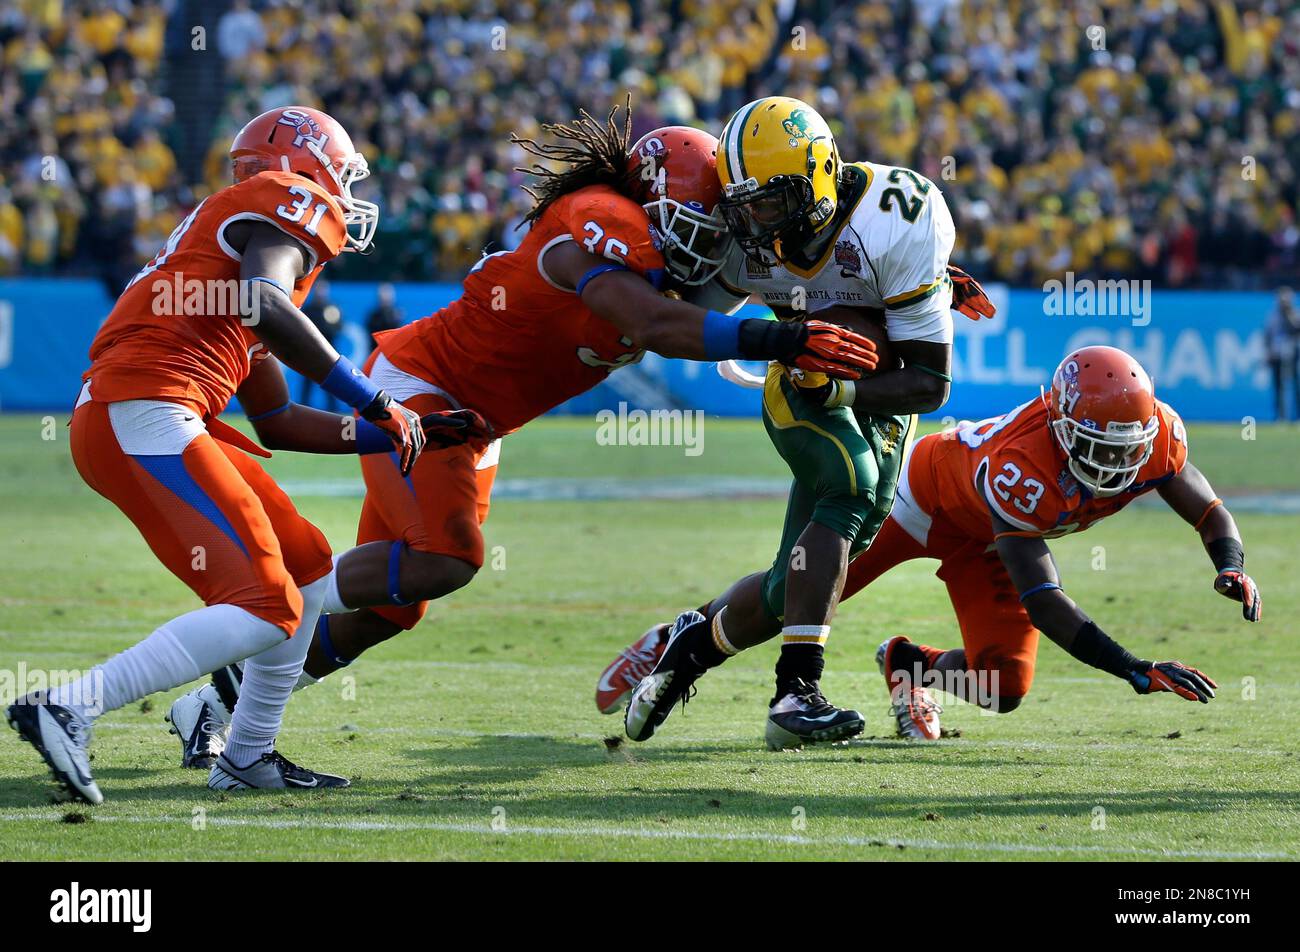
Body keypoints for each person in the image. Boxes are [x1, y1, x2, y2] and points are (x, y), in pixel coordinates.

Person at [167, 109, 880, 764]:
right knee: (445, 559)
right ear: (655, 207)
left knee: (390, 608)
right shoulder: (594, 218)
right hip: (424, 386)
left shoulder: (671, 245)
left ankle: (213, 701)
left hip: (475, 419)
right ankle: (273, 601)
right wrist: (781, 339)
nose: (711, 243)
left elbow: (787, 267)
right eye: (699, 224)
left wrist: (893, 276)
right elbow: (653, 323)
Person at [4, 106, 470, 803]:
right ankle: (69, 705)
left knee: (309, 570)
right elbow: (263, 304)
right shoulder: (281, 216)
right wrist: (375, 399)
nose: (343, 190)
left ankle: (248, 754)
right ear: (305, 166)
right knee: (266, 603)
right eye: (340, 173)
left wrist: (403, 432)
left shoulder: (226, 250)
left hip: (146, 412)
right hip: (145, 408)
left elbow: (277, 420)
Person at [602, 346, 1256, 740]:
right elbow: (1047, 599)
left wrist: (1231, 566)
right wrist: (1135, 669)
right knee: (791, 601)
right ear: (1060, 427)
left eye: (1123, 450)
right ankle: (684, 639)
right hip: (922, 501)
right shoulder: (1021, 467)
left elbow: (1209, 510)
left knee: (1004, 686)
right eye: (1093, 447)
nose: (1111, 466)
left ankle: (908, 667)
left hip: (991, 536)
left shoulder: (1156, 437)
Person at [614, 96, 995, 750]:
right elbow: (674, 312)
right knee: (853, 481)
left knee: (788, 584)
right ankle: (797, 693)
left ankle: (691, 648)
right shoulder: (738, 234)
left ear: (819, 174)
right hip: (794, 380)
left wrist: (849, 376)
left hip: (874, 385)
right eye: (744, 206)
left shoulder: (897, 217)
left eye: (769, 201)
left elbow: (928, 385)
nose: (753, 221)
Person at [299, 279, 343, 410]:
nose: (321, 292)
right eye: (318, 289)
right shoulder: (309, 309)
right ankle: (303, 410)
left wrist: (328, 327)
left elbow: (338, 328)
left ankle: (333, 411)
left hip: (328, 353)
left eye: (323, 289)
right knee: (307, 385)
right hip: (309, 353)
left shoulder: (331, 308)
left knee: (330, 384)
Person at [1265, 287, 1299, 422]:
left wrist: (1289, 314)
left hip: (1293, 353)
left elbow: (1296, 329)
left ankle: (1297, 416)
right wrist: (1268, 351)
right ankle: (1281, 416)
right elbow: (1268, 335)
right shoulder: (1273, 316)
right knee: (1278, 386)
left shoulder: (1294, 314)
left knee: (1296, 385)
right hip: (1277, 354)